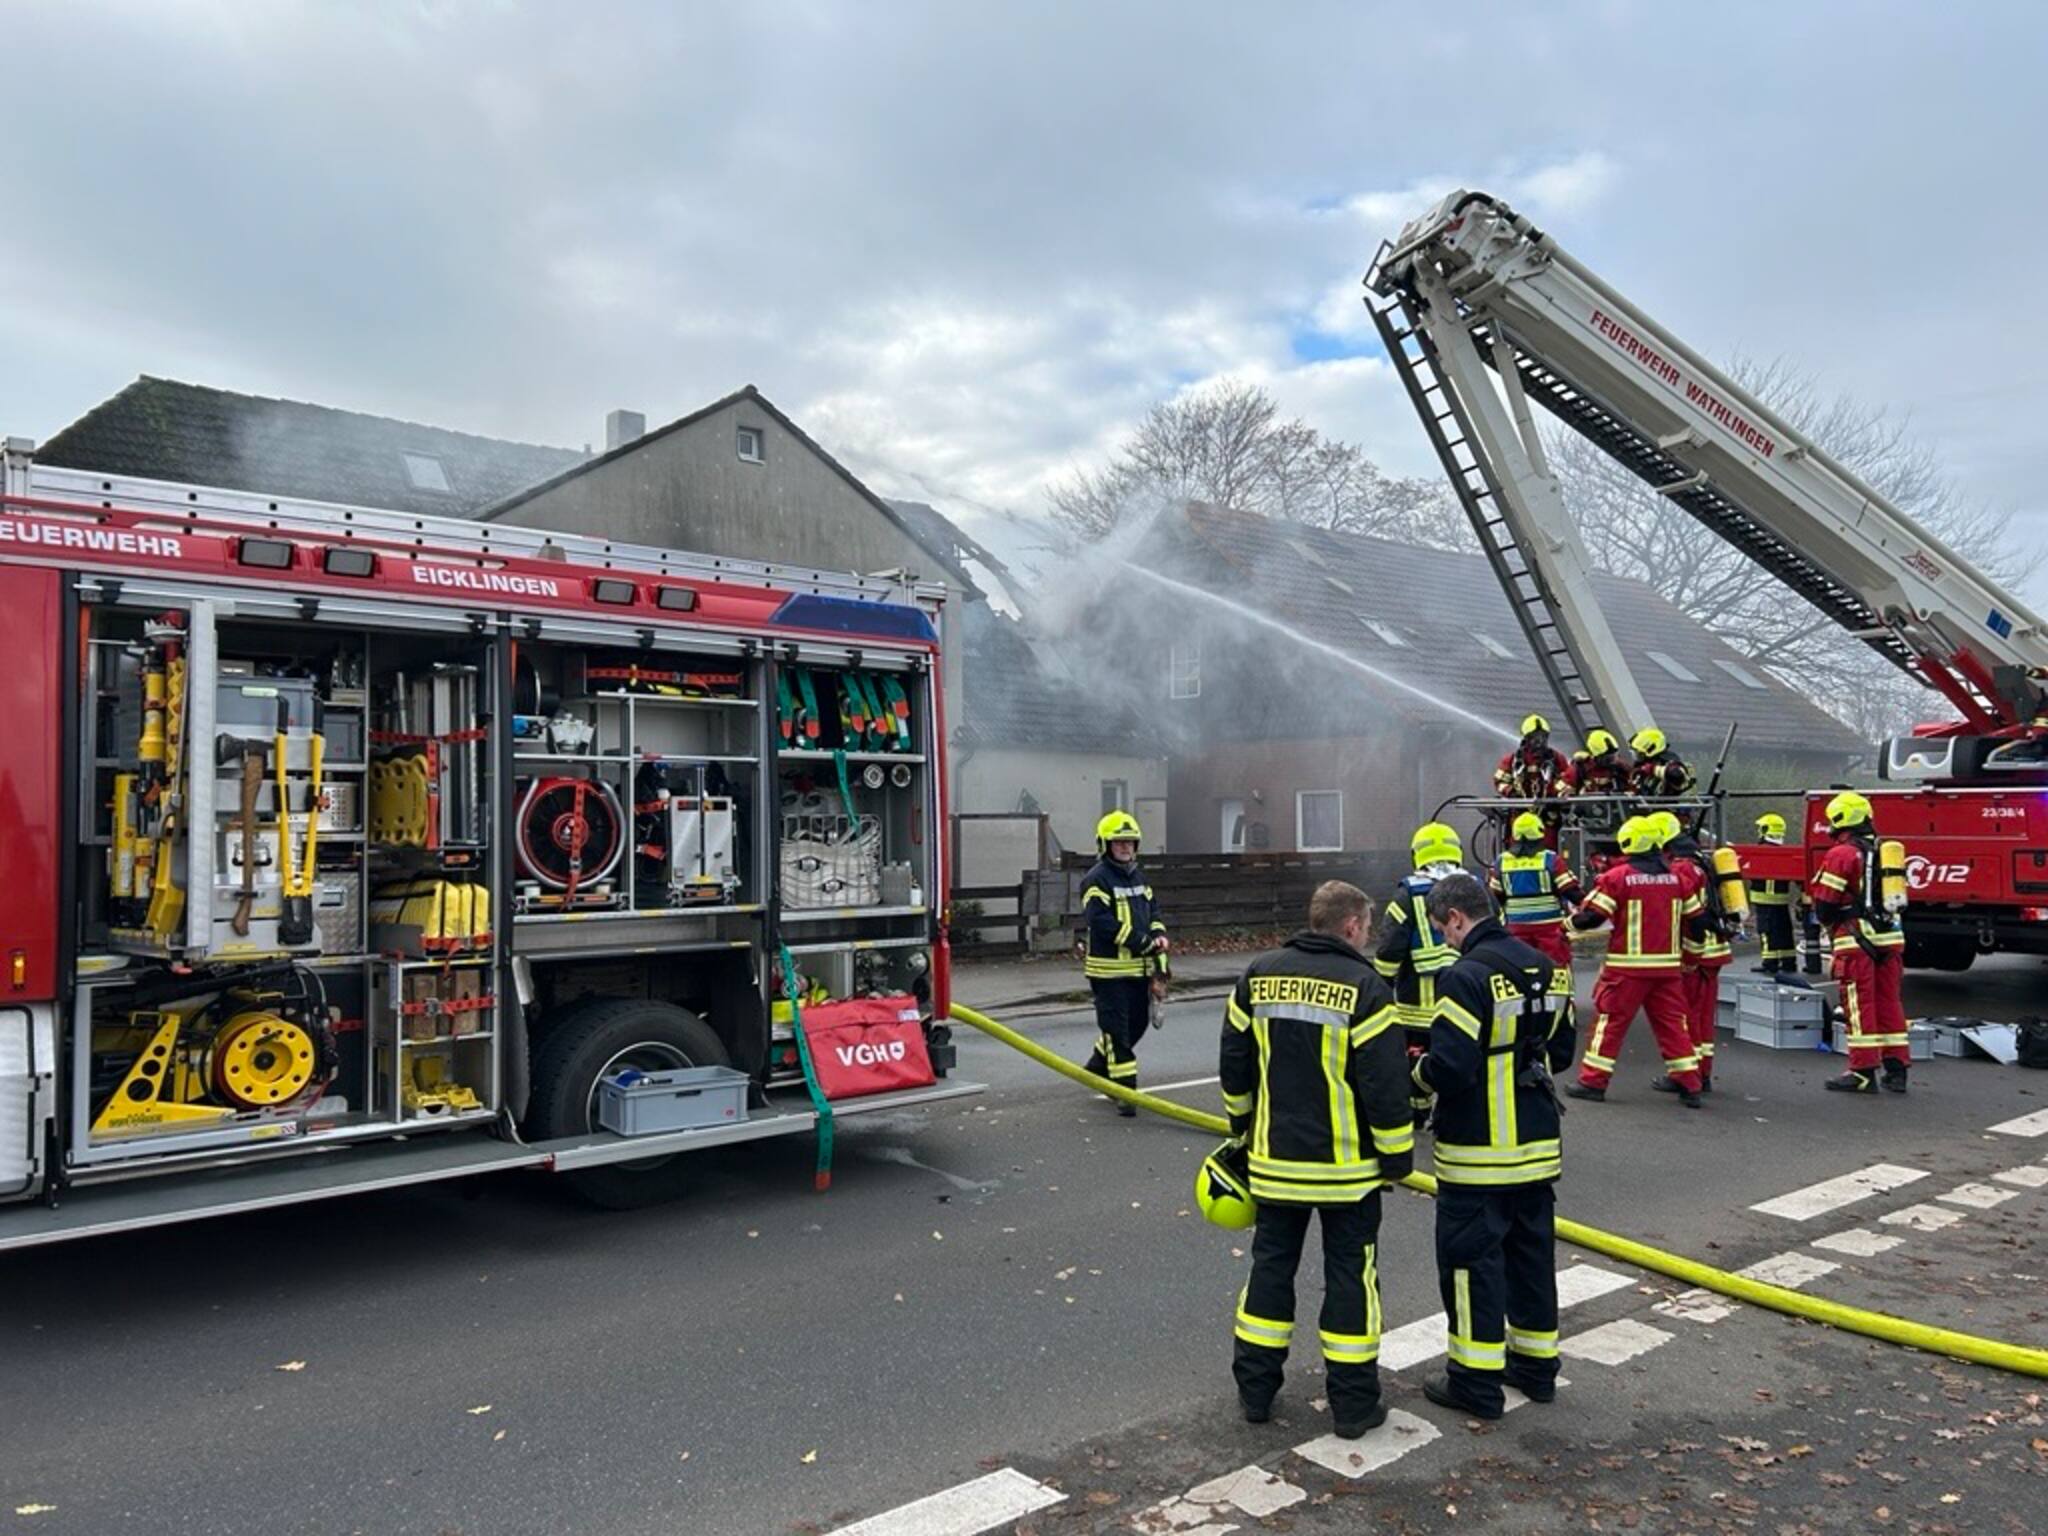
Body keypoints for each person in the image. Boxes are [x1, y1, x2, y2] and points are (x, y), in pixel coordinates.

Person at [1220, 881, 1415, 1438]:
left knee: (1270, 1272)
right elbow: (1385, 1086)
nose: (1370, 935)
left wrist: (1243, 1129)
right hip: (1347, 1174)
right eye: (1368, 926)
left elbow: (1234, 1064)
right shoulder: (1366, 986)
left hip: (1274, 1164)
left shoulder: (1258, 974)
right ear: (1351, 926)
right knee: (1351, 1279)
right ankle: (1353, 1408)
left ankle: (1255, 1394)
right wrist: (1397, 1158)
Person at [1411, 872, 1575, 1421]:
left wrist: (1414, 1076)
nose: (1444, 939)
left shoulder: (1466, 976)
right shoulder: (1549, 969)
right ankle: (1536, 1369)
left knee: (1470, 1265)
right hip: (1536, 1146)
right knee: (1530, 1259)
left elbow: (1451, 1067)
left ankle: (1475, 1384)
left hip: (1478, 1153)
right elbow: (1566, 1051)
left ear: (1456, 918)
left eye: (1443, 929)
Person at [1563, 815, 1708, 1107]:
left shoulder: (1618, 877)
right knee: (1672, 1026)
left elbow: (1592, 917)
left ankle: (1592, 1082)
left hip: (1626, 970)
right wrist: (1692, 955)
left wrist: (1566, 925)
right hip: (1667, 970)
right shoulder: (1677, 878)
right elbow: (1698, 921)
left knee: (1609, 1024)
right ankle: (1690, 1084)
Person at [1810, 792, 1910, 1095]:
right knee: (1889, 1003)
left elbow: (1825, 904)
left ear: (1839, 819)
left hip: (1856, 941)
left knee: (1859, 1005)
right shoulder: (1885, 851)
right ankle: (1897, 1070)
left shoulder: (1842, 854)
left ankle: (1863, 1072)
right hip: (1890, 939)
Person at [1078, 810, 1168, 1115]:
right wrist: (1141, 941)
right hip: (1108, 972)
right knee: (1117, 1031)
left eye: (1130, 842)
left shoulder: (1139, 878)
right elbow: (1100, 920)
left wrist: (1159, 936)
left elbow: (1153, 913)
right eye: (1119, 843)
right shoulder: (1096, 880)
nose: (1125, 847)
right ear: (1105, 845)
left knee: (1137, 1024)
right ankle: (1125, 1092)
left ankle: (1096, 1065)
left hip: (1138, 970)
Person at [1376, 823, 1468, 1116]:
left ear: (1417, 855)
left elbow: (1391, 946)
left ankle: (1417, 1112)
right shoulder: (1475, 889)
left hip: (1416, 1004)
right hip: (1465, 1000)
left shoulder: (1408, 895)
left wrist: (1380, 985)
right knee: (1458, 1055)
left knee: (1416, 1058)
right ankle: (1457, 1113)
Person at [1657, 812, 1733, 1096]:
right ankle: (1701, 1074)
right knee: (1701, 1018)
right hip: (1713, 951)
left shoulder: (1681, 869)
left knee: (1684, 1018)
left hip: (1696, 954)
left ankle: (1685, 1075)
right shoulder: (1700, 861)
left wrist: (1687, 959)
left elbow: (1686, 917)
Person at [1488, 811, 1582, 970]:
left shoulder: (1501, 861)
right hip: (1550, 928)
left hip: (1516, 927)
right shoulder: (1551, 859)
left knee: (1520, 971)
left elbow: (1494, 898)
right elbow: (1571, 891)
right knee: (1557, 971)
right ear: (1540, 833)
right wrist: (1589, 909)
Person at [1746, 813, 1807, 984]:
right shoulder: (1783, 852)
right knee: (1784, 930)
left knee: (1767, 931)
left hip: (1764, 901)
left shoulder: (1762, 851)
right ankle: (1789, 961)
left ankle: (1770, 962)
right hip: (1781, 901)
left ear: (1765, 830)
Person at [1626, 728, 1696, 799]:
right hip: (1652, 807)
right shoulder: (1643, 767)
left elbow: (1676, 775)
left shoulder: (1672, 763)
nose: (1637, 757)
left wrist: (1653, 769)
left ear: (1650, 749)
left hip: (1673, 808)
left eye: (1639, 754)